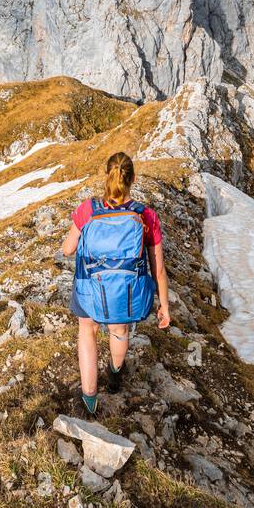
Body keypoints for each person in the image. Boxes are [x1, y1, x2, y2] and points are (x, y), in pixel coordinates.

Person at [60, 150, 170, 415]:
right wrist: (164, 305)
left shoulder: (89, 209)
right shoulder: (146, 215)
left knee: (87, 330)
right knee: (119, 329)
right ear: (131, 178)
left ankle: (89, 397)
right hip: (125, 290)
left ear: (106, 175)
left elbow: (67, 249)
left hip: (89, 287)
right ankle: (114, 373)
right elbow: (159, 268)